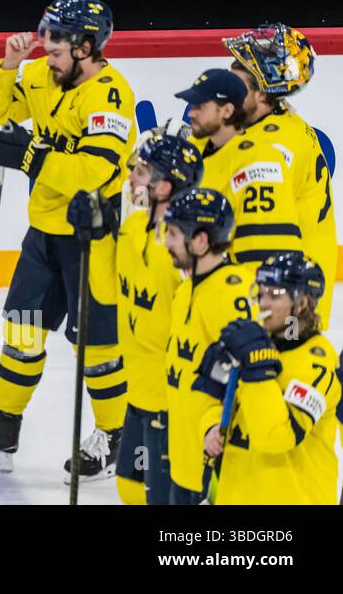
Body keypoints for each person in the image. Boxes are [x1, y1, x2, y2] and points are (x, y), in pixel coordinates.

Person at [0, 0, 135, 477]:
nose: (46, 52)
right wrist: (7, 66)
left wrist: (29, 158)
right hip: (44, 229)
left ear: (87, 47)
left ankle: (114, 437)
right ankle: (3, 427)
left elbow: (93, 170)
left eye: (57, 47)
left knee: (97, 345)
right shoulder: (42, 77)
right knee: (22, 330)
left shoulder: (110, 96)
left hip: (95, 236)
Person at [194, 252, 338, 504]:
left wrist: (257, 371)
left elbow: (276, 437)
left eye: (275, 295)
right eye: (261, 293)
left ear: (302, 303)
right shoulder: (251, 343)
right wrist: (210, 427)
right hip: (238, 494)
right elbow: (212, 395)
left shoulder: (318, 363)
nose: (263, 303)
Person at [107, 129, 204, 504]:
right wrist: (97, 236)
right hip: (139, 388)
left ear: (166, 185)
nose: (131, 175)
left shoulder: (185, 250)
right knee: (130, 486)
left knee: (168, 499)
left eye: (142, 171)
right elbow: (105, 293)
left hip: (173, 397)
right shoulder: (133, 227)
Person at [224, 24, 336, 328]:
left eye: (236, 79)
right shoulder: (273, 123)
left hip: (291, 297)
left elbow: (264, 237)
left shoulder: (277, 145)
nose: (225, 87)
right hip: (290, 285)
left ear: (261, 93)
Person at [161, 187, 257, 504]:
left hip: (213, 468)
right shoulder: (186, 289)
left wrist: (218, 428)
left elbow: (254, 374)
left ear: (201, 241)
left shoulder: (233, 293)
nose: (167, 242)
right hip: (183, 461)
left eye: (174, 233)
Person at [175, 69, 304, 266]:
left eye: (201, 106)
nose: (191, 112)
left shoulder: (261, 160)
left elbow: (262, 249)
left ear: (227, 111)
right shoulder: (194, 149)